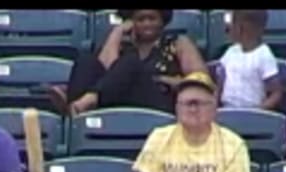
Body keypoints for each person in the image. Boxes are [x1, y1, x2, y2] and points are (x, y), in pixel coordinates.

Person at [132, 71, 254, 172]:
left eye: (200, 104)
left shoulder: (233, 143)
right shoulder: (159, 138)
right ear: (177, 108)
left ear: (214, 108)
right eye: (188, 104)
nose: (193, 109)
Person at [46, 9, 207, 117]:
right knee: (86, 60)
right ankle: (75, 110)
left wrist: (167, 80)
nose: (147, 24)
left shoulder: (178, 43)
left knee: (131, 62)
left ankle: (83, 103)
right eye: (140, 19)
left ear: (163, 21)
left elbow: (201, 80)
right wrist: (118, 31)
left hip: (159, 101)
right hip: (117, 99)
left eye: (152, 19)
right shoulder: (123, 45)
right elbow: (105, 69)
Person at [216, 10, 282, 111]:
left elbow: (276, 93)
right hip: (227, 109)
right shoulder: (230, 52)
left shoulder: (264, 55)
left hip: (254, 111)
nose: (227, 30)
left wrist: (260, 110)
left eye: (232, 24)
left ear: (243, 28)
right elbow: (219, 86)